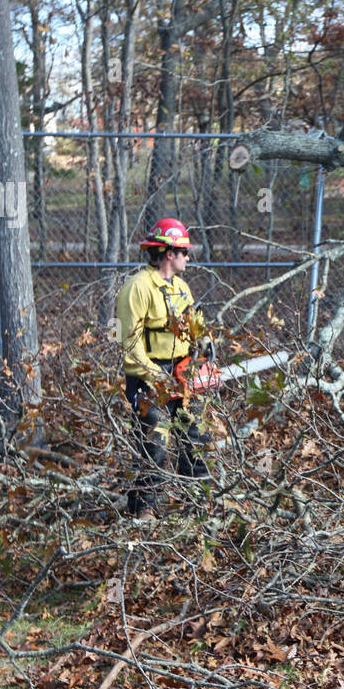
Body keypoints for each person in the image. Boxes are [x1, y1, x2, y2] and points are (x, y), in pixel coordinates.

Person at [116, 217, 211, 521]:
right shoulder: (138, 288)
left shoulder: (181, 287)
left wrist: (205, 343)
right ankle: (144, 508)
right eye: (184, 251)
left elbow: (193, 327)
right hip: (147, 377)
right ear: (169, 253)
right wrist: (157, 377)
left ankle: (198, 503)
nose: (188, 257)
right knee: (155, 441)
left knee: (194, 435)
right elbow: (130, 347)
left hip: (181, 370)